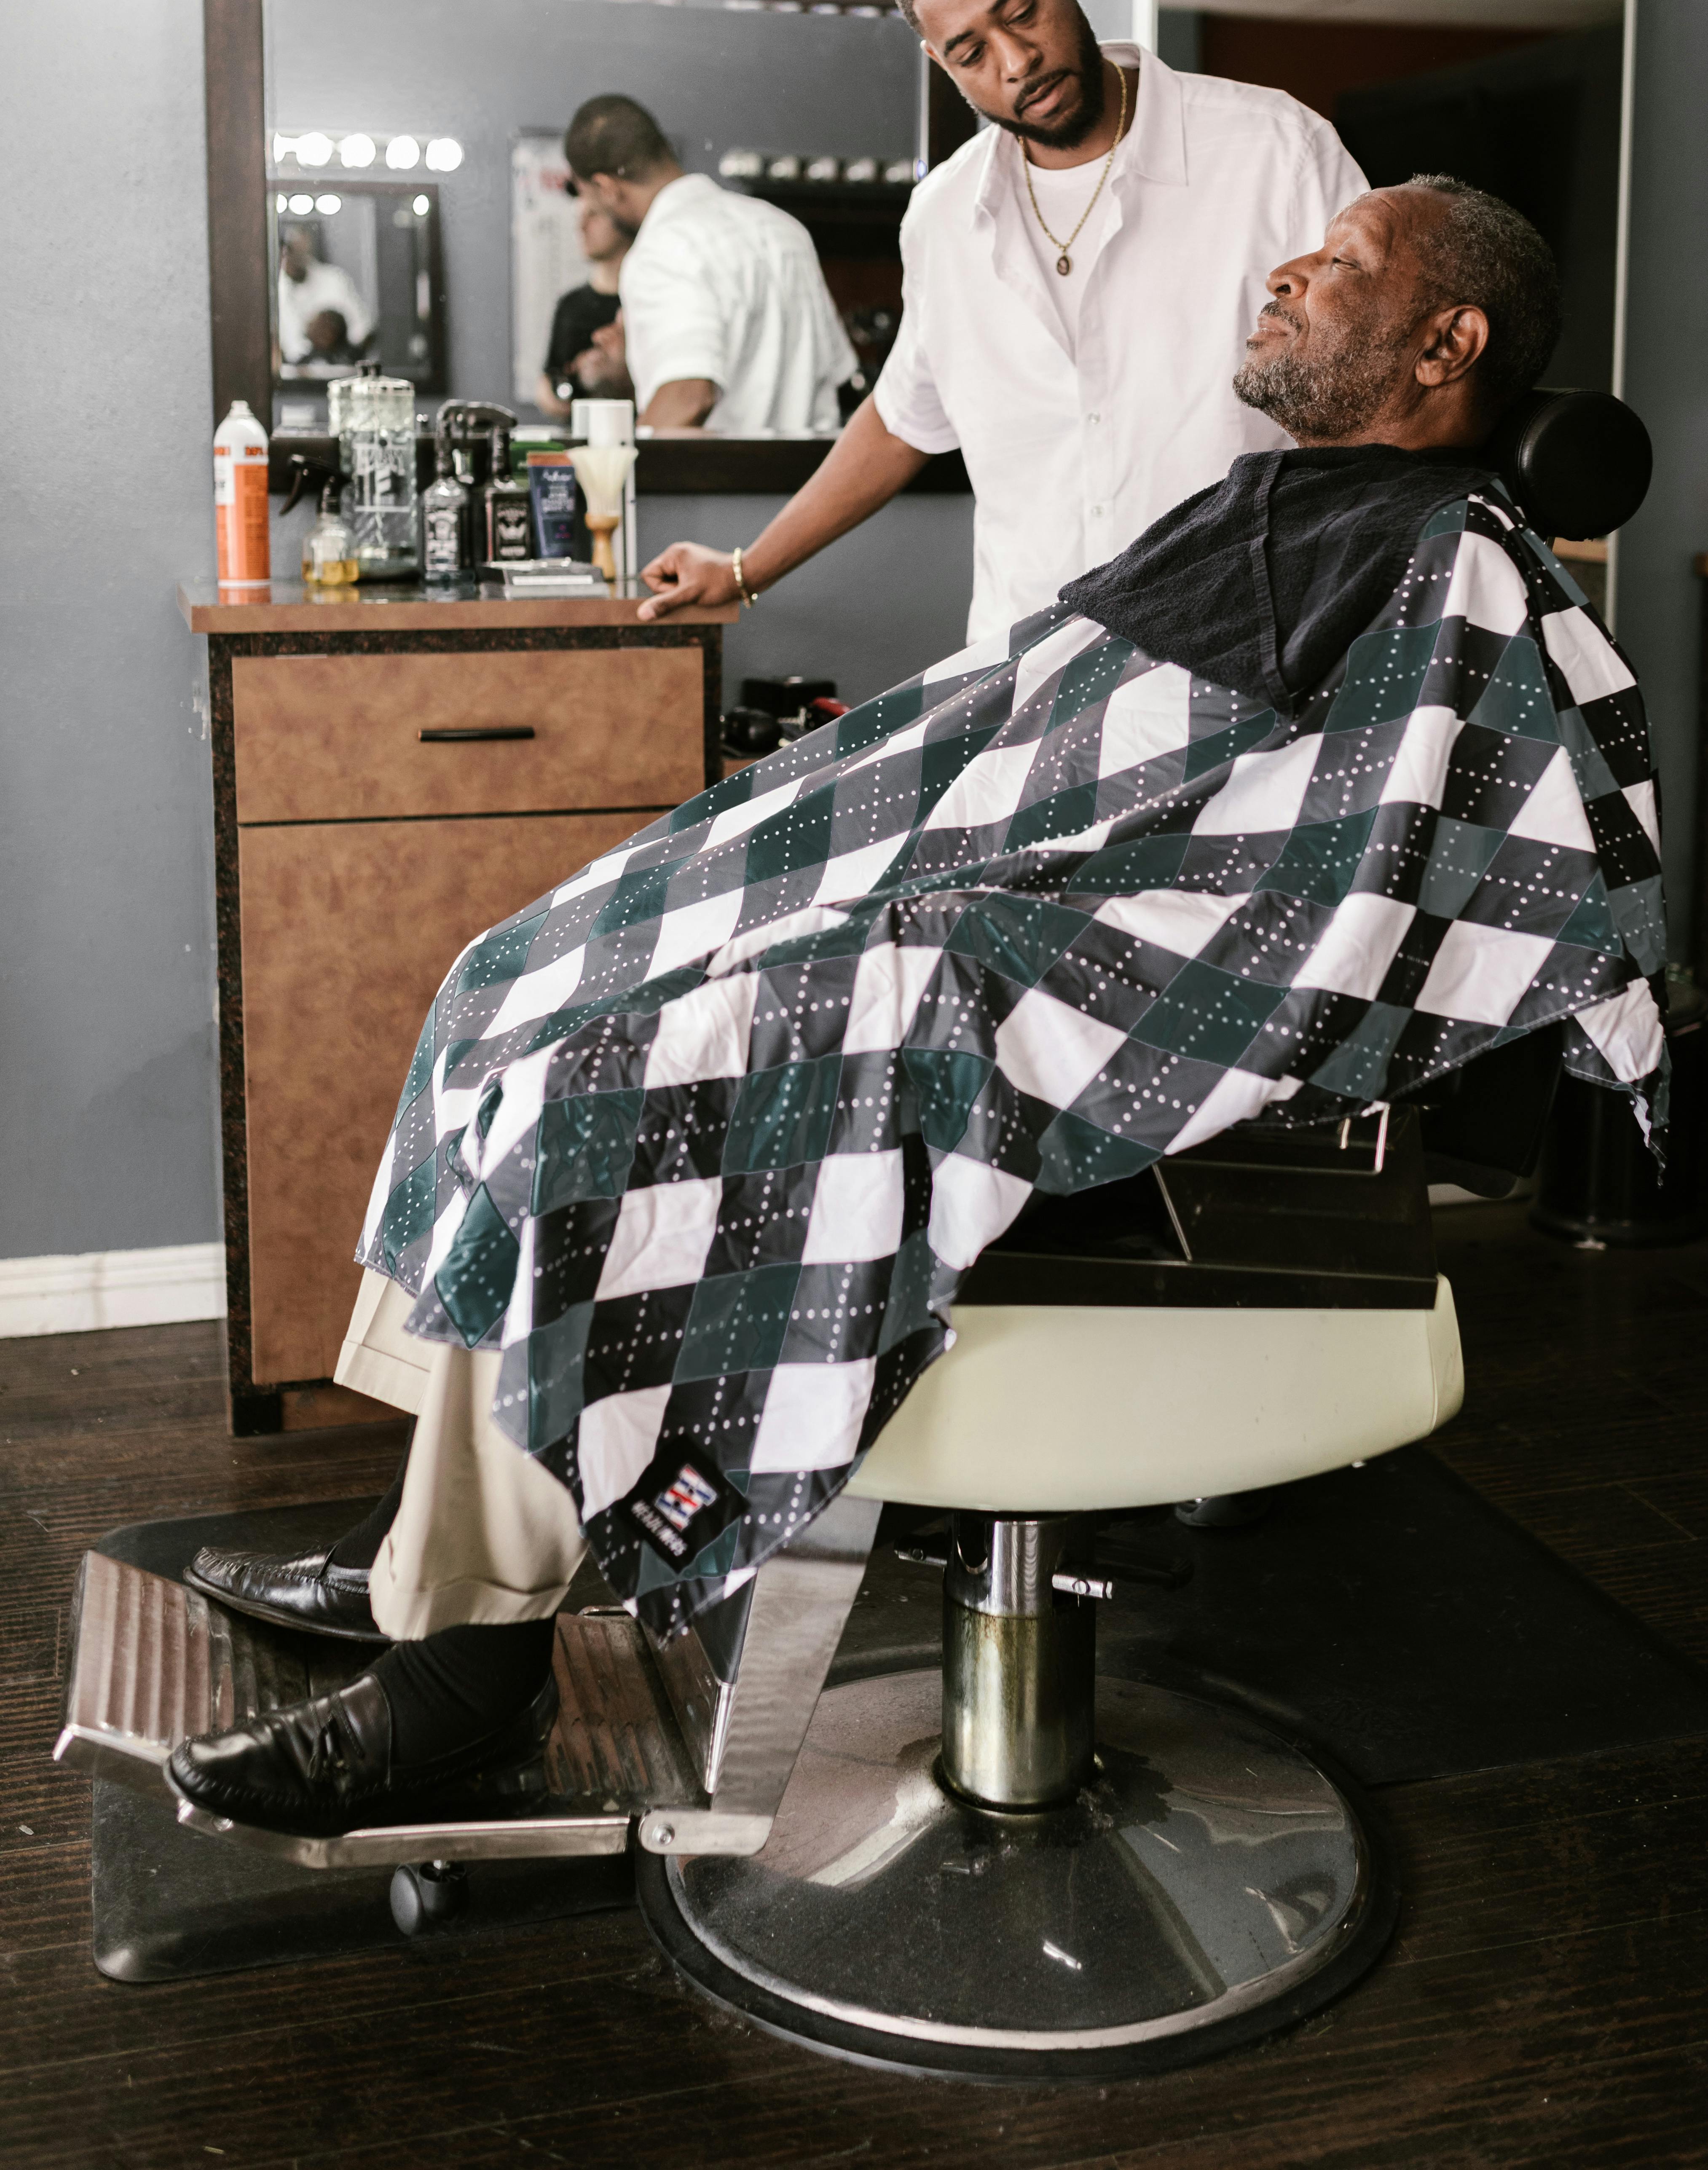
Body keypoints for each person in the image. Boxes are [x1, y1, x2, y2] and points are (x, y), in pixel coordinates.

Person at [172, 178, 1665, 1837]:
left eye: (1344, 261)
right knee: (517, 973)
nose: (1289, 267)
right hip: (999, 899)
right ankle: (428, 1547)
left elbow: (1332, 886)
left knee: (609, 1071)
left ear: (1446, 343)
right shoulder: (1288, 501)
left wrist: (950, 916)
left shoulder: (1457, 561)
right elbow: (1050, 732)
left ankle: (470, 1665)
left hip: (1111, 1034)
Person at [636, 0, 1367, 636]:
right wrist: (744, 569)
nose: (1016, 62)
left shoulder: (1275, 150)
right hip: (1025, 666)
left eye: (1021, 12)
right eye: (970, 53)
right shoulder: (943, 215)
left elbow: (1378, 381)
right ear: (938, 61)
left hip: (1235, 652)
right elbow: (899, 422)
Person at [564, 94, 856, 434]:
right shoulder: (783, 228)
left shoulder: (662, 248)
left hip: (721, 469)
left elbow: (688, 399)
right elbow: (837, 376)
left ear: (606, 188)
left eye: (587, 197)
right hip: (811, 466)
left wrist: (613, 463)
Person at [536, 192, 630, 419]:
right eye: (579, 218)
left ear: (623, 219)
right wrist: (557, 397)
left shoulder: (648, 303)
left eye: (594, 215)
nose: (581, 227)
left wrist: (622, 374)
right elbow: (549, 380)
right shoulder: (570, 306)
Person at [276, 225, 373, 370]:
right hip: (290, 371)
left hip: (337, 366)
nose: (299, 256)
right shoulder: (273, 289)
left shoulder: (334, 279)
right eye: (292, 250)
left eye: (303, 249)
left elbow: (362, 331)